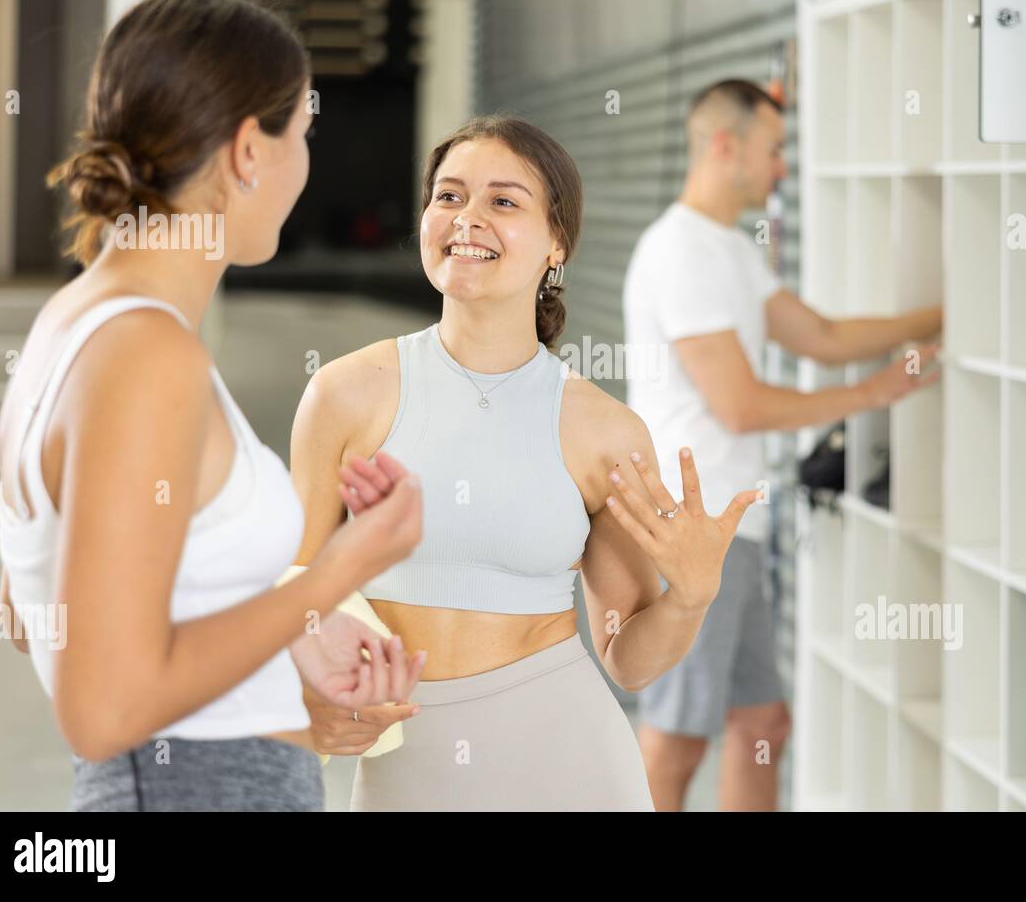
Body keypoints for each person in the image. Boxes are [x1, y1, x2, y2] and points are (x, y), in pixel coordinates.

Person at [0, 0, 425, 812]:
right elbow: (103, 708)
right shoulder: (146, 355)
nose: (306, 163)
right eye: (301, 134)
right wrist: (338, 573)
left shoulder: (84, 322)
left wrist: (284, 644)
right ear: (247, 152)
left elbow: (40, 607)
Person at [291, 115, 762, 810]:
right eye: (449, 196)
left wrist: (691, 596)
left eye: (503, 202)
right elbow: (292, 601)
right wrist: (306, 697)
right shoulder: (342, 393)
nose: (467, 218)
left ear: (557, 243)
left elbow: (627, 657)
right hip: (402, 773)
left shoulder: (605, 431)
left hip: (568, 762)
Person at [623, 78, 942, 810]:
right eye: (774, 150)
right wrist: (873, 394)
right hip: (690, 532)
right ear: (725, 146)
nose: (782, 169)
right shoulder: (681, 253)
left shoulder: (729, 251)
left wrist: (943, 316)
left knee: (762, 720)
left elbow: (822, 336)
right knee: (674, 741)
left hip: (734, 530)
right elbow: (740, 407)